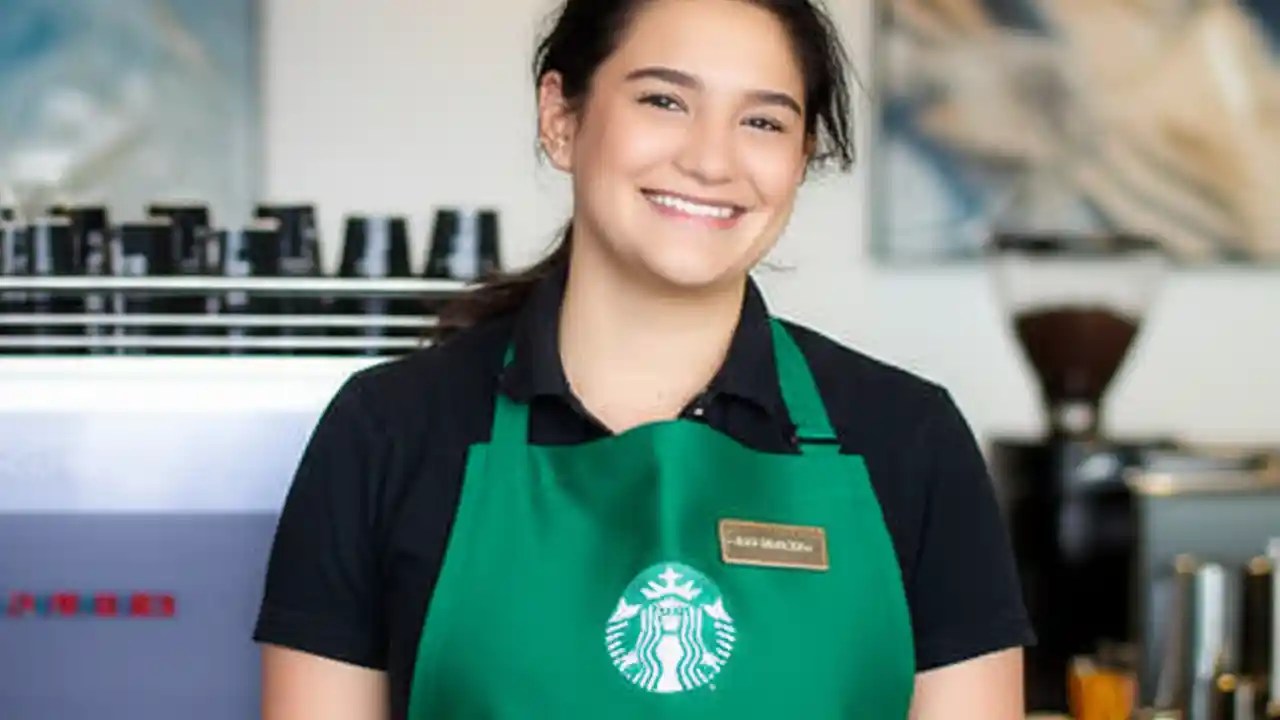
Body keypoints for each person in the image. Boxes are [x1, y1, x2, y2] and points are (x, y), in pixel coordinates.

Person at [253, 0, 1036, 717]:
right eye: (664, 101)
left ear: (803, 158)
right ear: (561, 118)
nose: (710, 159)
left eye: (762, 122)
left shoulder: (908, 440)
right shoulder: (388, 431)